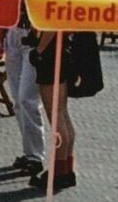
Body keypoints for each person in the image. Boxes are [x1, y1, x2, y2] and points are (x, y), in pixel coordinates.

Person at [30, 27, 99, 191]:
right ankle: (66, 169)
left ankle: (58, 173)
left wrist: (38, 50)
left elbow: (52, 25)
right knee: (61, 114)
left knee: (55, 116)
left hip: (50, 55)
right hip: (62, 53)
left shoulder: (52, 3)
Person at [4, 21, 46, 179]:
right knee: (17, 100)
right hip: (13, 31)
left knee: (27, 99)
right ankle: (29, 152)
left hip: (32, 35)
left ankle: (36, 155)